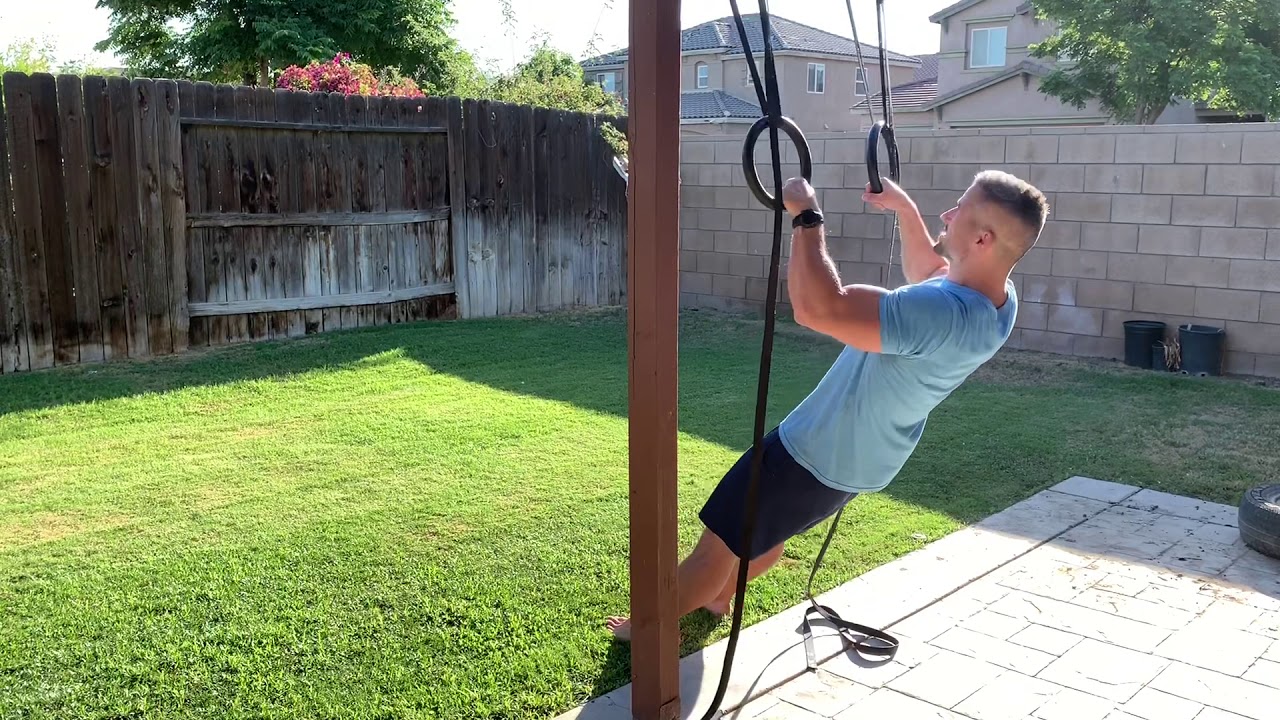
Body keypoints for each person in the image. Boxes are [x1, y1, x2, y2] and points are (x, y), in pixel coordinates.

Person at [606, 170, 1050, 641]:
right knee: (767, 528)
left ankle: (647, 626)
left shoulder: (941, 317)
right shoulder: (997, 299)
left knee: (717, 545)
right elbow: (931, 273)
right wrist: (904, 210)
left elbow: (819, 308)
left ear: (983, 238)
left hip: (813, 453)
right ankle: (720, 597)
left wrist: (807, 215)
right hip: (861, 461)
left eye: (959, 208)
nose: (948, 213)